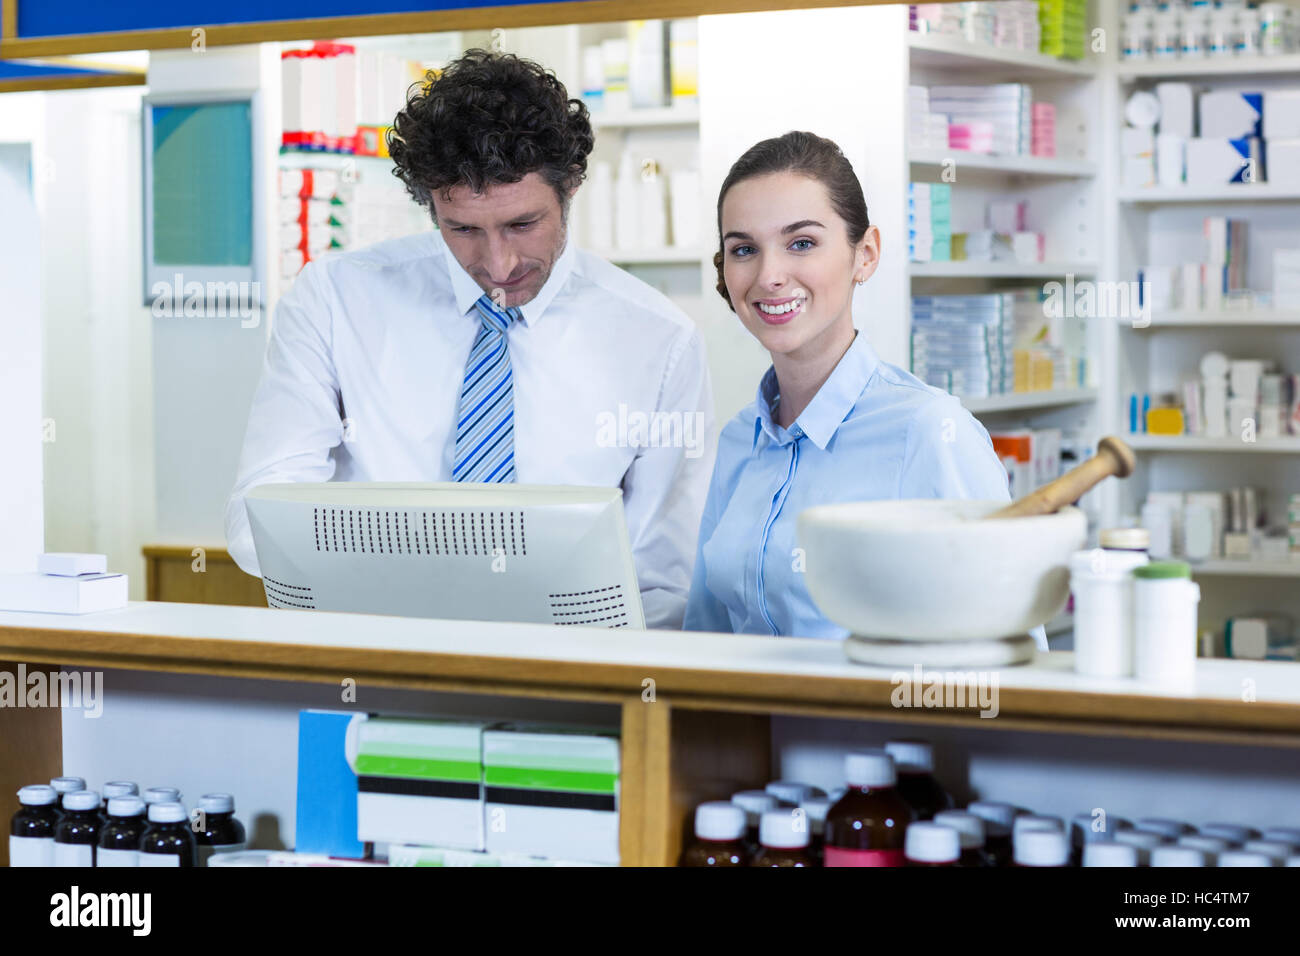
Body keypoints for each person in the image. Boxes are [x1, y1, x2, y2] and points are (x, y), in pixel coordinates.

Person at [224, 50, 714, 629]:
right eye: (463, 229)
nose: (499, 264)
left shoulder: (660, 341)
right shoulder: (334, 300)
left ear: (571, 187)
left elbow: (665, 580)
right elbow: (259, 519)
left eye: (522, 225)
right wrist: (424, 571)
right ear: (430, 207)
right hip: (371, 657)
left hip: (570, 677)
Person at [683, 130, 1012, 639]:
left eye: (802, 243)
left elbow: (1005, 652)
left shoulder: (928, 434)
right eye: (744, 249)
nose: (770, 275)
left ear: (866, 254)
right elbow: (704, 640)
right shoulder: (739, 438)